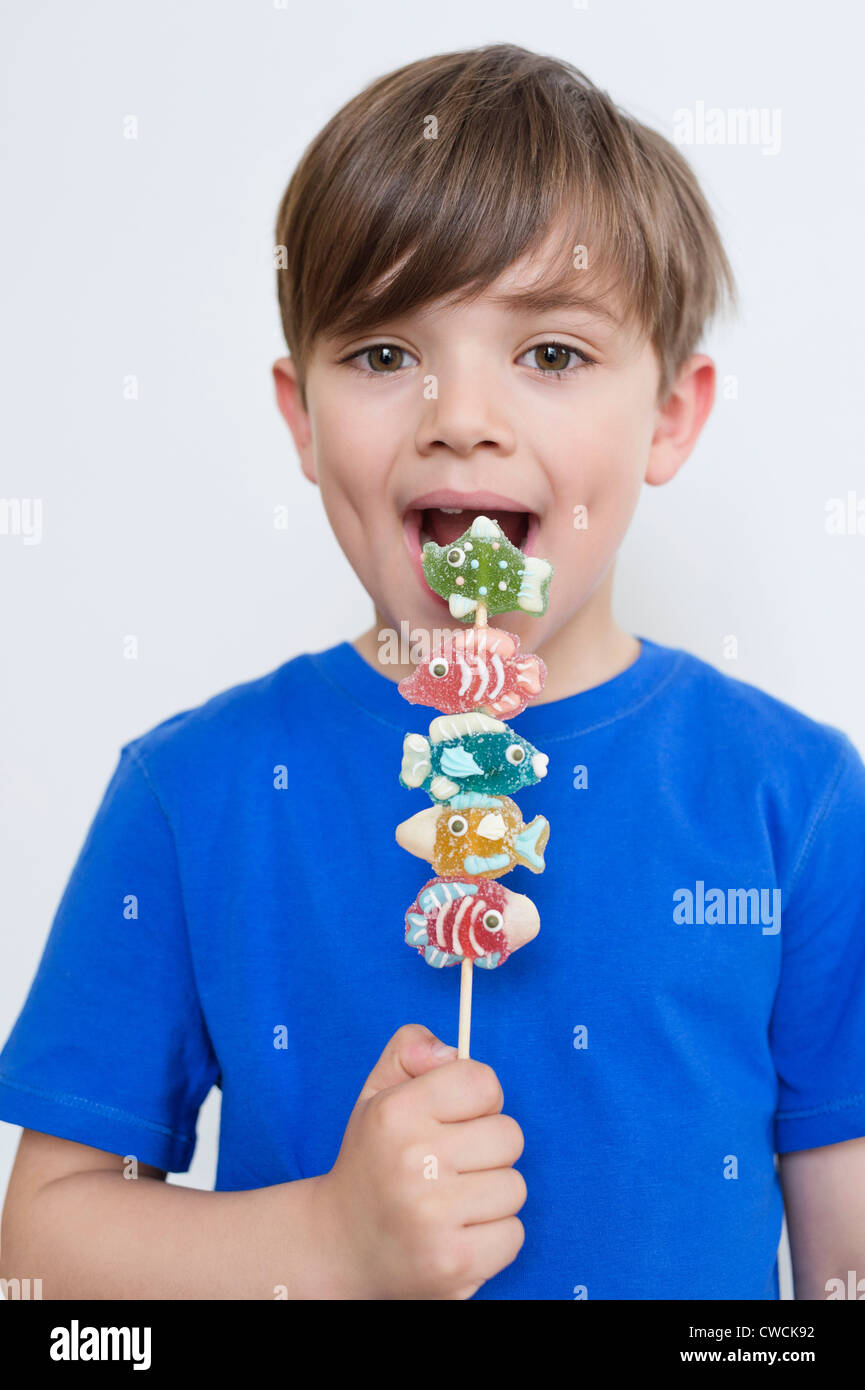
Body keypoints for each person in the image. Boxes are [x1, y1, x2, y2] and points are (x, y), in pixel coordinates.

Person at [1, 43, 863, 1301]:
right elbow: (40, 1275)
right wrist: (324, 1245)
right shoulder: (193, 795)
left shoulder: (797, 801)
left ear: (671, 413)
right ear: (301, 418)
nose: (461, 414)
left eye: (552, 354)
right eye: (385, 354)